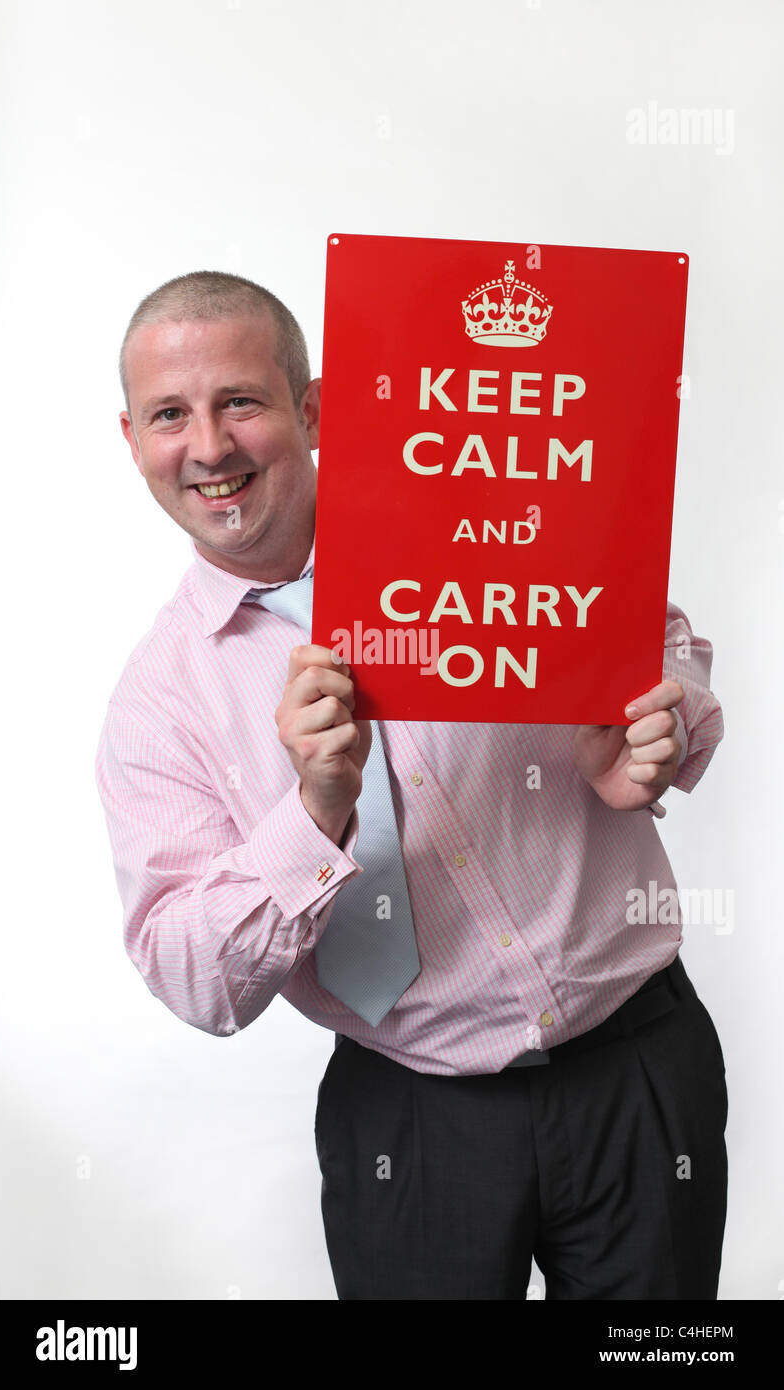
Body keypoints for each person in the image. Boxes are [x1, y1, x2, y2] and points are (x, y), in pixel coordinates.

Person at [96, 269, 728, 1301]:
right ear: (133, 439)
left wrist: (655, 722)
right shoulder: (157, 703)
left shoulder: (486, 506)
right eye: (171, 414)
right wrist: (313, 813)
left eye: (241, 402)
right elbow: (194, 980)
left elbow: (662, 645)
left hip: (640, 1070)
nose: (208, 447)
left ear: (312, 407)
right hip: (411, 1121)